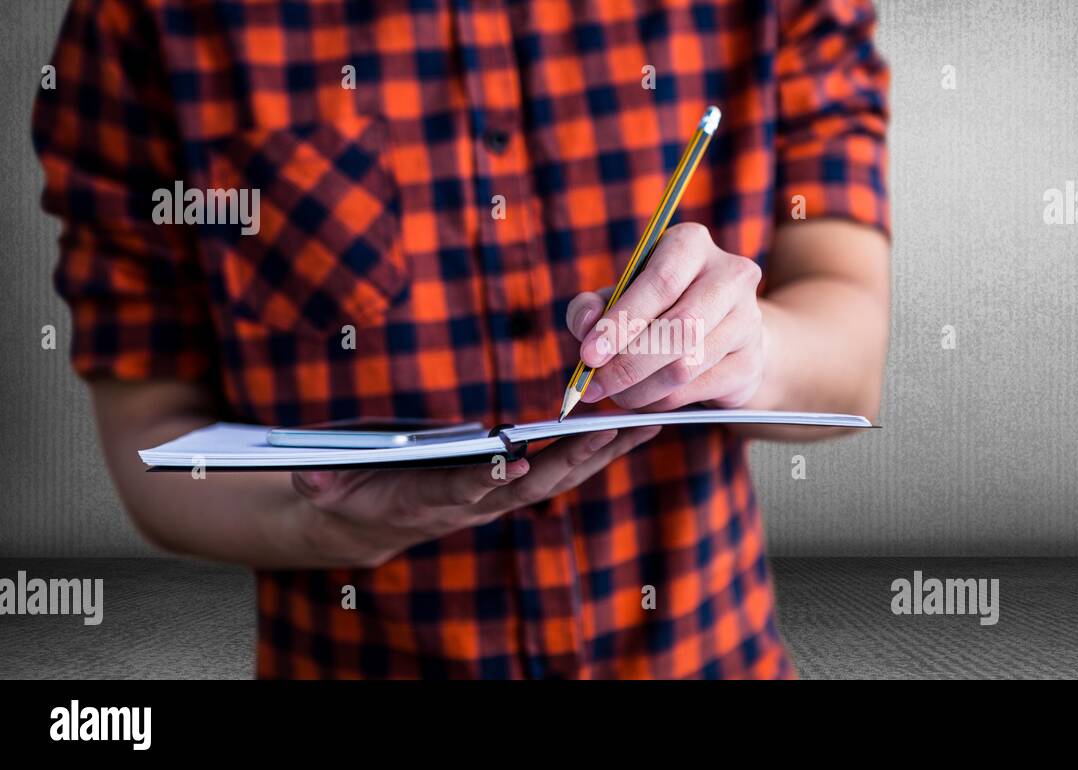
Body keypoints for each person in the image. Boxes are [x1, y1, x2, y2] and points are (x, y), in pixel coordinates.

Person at [33, 0, 890, 679]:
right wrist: (327, 526)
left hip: (707, 652)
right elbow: (154, 441)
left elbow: (850, 357)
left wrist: (743, 350)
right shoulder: (143, 20)